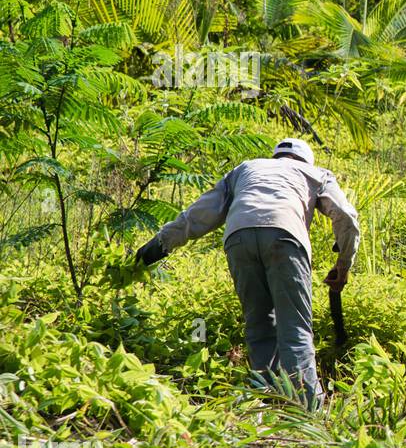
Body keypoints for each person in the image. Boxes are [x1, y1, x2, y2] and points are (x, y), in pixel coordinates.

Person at [134, 138, 360, 406]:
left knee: (260, 326)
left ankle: (262, 407)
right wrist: (343, 264)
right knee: (295, 330)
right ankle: (309, 411)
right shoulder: (316, 173)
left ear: (276, 157)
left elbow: (198, 214)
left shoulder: (245, 169)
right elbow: (345, 215)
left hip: (237, 239)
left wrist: (155, 248)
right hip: (285, 237)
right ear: (305, 160)